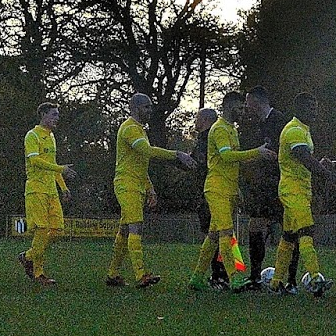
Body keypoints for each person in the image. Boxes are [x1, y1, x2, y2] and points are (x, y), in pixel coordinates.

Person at [190, 91, 274, 290]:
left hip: (228, 189)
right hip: (216, 189)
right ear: (228, 107)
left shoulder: (232, 130)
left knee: (213, 237)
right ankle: (234, 277)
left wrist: (237, 189)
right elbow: (227, 157)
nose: (243, 111)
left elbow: (233, 163)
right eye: (240, 108)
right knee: (227, 233)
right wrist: (258, 152)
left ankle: (196, 278)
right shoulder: (219, 129)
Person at [110, 92, 195, 289]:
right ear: (136, 108)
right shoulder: (130, 128)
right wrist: (177, 154)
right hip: (126, 184)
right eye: (146, 107)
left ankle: (112, 274)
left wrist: (150, 189)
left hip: (137, 184)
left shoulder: (139, 130)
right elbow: (147, 152)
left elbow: (140, 163)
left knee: (124, 230)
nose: (150, 110)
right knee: (136, 227)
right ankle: (141, 274)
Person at [269, 91, 336, 296]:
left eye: (315, 107)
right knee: (306, 231)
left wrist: (321, 164)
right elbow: (304, 158)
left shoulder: (304, 130)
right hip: (292, 191)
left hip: (300, 189)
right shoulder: (293, 130)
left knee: (289, 237)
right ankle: (316, 278)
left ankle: (275, 283)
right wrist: (327, 175)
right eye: (310, 107)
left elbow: (306, 159)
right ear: (298, 109)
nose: (314, 111)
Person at [240, 85, 291, 291]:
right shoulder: (255, 125)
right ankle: (255, 276)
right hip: (261, 187)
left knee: (288, 230)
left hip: (280, 184)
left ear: (257, 101)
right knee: (255, 225)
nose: (245, 106)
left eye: (247, 101)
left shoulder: (279, 122)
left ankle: (288, 279)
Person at [20, 102, 76, 287]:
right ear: (43, 114)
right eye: (53, 114)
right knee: (42, 231)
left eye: (57, 114)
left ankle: (27, 256)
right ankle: (39, 273)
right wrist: (61, 168)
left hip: (51, 191)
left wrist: (63, 187)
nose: (57, 118)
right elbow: (35, 161)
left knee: (57, 230)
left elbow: (53, 165)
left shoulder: (51, 137)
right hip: (36, 190)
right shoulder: (32, 135)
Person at [193, 106, 228, 287]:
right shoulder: (212, 137)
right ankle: (230, 271)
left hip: (212, 192)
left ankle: (220, 275)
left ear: (205, 120)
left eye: (197, 119)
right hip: (221, 189)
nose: (195, 122)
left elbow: (198, 164)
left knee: (216, 235)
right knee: (223, 233)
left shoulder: (206, 140)